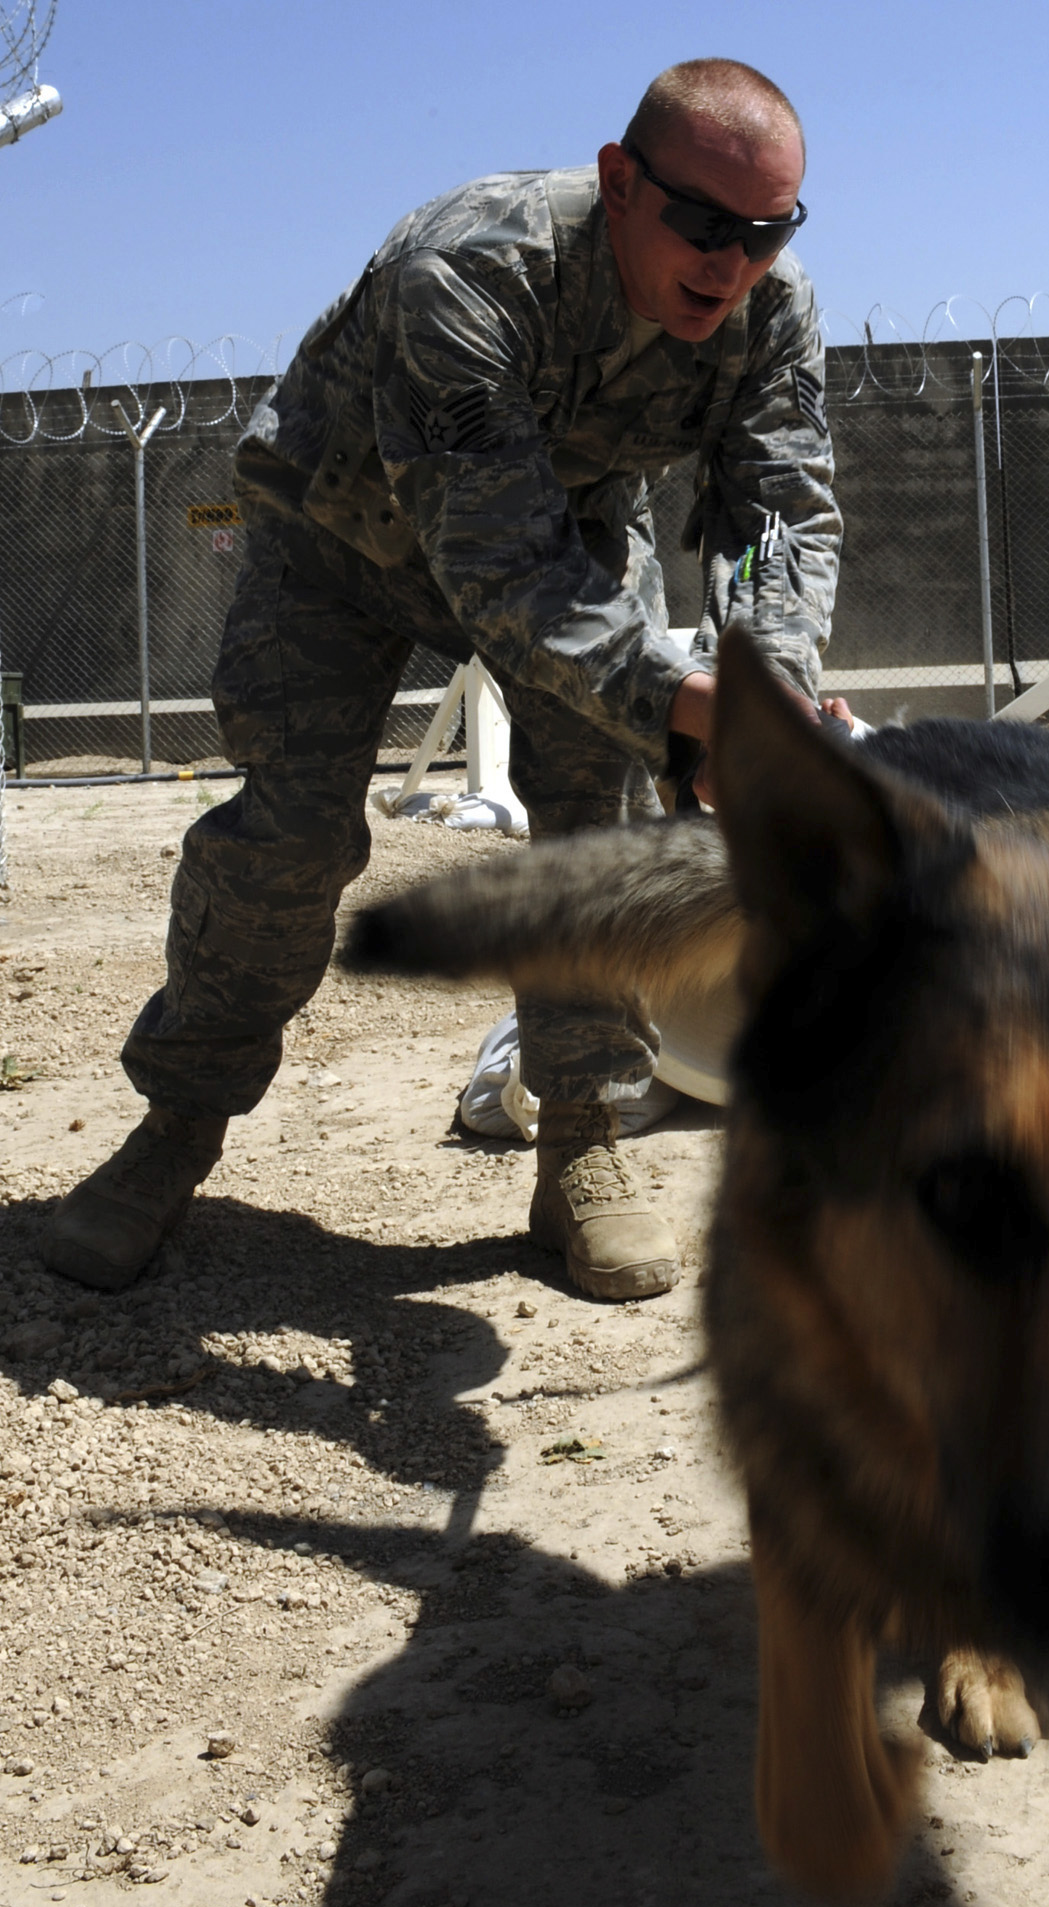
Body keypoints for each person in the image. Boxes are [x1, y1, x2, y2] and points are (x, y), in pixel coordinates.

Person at [41, 57, 842, 1304]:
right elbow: (500, 576)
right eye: (702, 226)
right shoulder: (468, 267)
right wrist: (696, 709)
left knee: (600, 839)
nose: (730, 264)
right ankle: (174, 1133)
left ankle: (578, 1145)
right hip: (343, 543)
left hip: (572, 534)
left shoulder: (768, 310)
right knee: (292, 838)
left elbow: (775, 516)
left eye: (768, 232)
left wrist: (766, 697)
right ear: (620, 182)